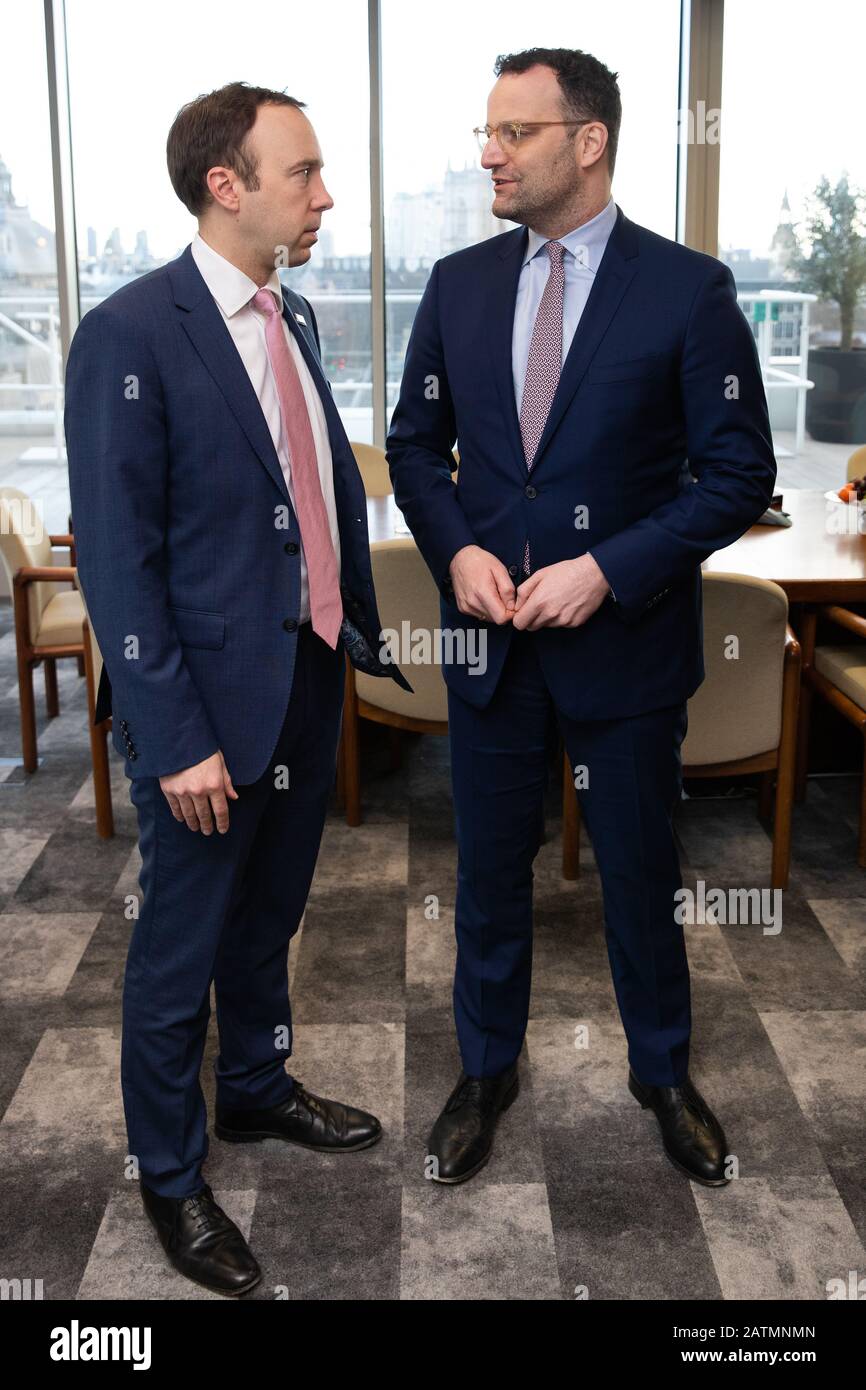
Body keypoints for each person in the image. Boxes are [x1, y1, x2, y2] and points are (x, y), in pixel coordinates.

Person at [387, 48, 776, 1187]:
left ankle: (661, 1074)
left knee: (637, 877)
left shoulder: (686, 289)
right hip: (490, 649)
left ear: (586, 140)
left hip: (625, 650)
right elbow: (415, 445)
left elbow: (735, 470)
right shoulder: (457, 282)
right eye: (486, 132)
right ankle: (484, 1068)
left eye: (512, 133)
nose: (486, 154)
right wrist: (454, 544)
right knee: (486, 879)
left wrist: (606, 568)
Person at [65, 81, 410, 1295]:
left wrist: (347, 632)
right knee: (178, 948)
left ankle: (255, 1090)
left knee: (269, 920)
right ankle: (169, 1174)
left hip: (304, 679)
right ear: (228, 184)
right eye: (304, 172)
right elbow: (117, 560)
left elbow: (300, 494)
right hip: (202, 718)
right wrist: (173, 739)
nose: (323, 196)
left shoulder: (293, 317)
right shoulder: (129, 333)